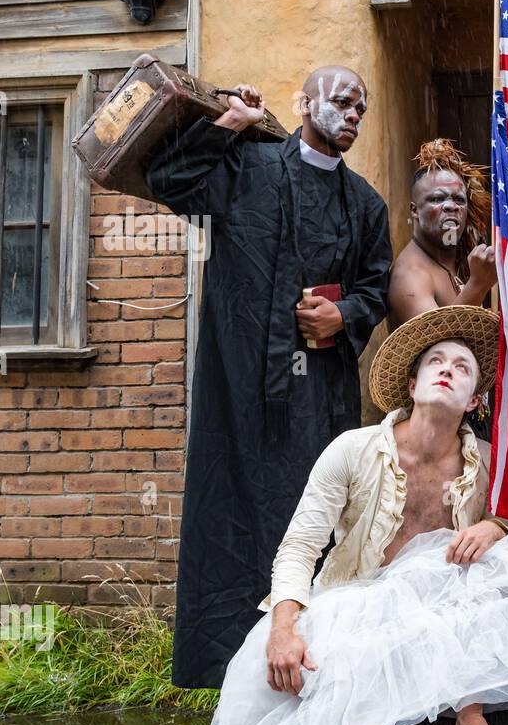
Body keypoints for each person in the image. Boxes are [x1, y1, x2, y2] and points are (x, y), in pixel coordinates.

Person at [206, 305, 508, 725]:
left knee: (507, 566)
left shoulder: (489, 461)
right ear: (412, 387)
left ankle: (468, 714)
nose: (448, 369)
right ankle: (372, 696)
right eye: (436, 362)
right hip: (357, 601)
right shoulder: (352, 449)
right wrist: (283, 628)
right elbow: (300, 545)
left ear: (474, 402)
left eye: (463, 367)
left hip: (442, 607)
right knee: (291, 682)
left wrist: (494, 528)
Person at [146, 66, 391, 688]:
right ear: (304, 103)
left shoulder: (365, 203)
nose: (353, 115)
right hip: (240, 388)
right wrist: (229, 123)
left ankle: (319, 672)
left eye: (361, 107)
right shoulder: (245, 167)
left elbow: (374, 288)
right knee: (232, 519)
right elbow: (168, 180)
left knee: (315, 515)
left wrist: (345, 316)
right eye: (341, 102)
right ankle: (231, 678)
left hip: (318, 396)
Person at [387, 139, 498, 328]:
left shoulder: (455, 257)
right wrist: (478, 285)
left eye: (459, 200)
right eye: (437, 199)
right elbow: (436, 347)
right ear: (415, 211)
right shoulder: (409, 277)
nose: (450, 206)